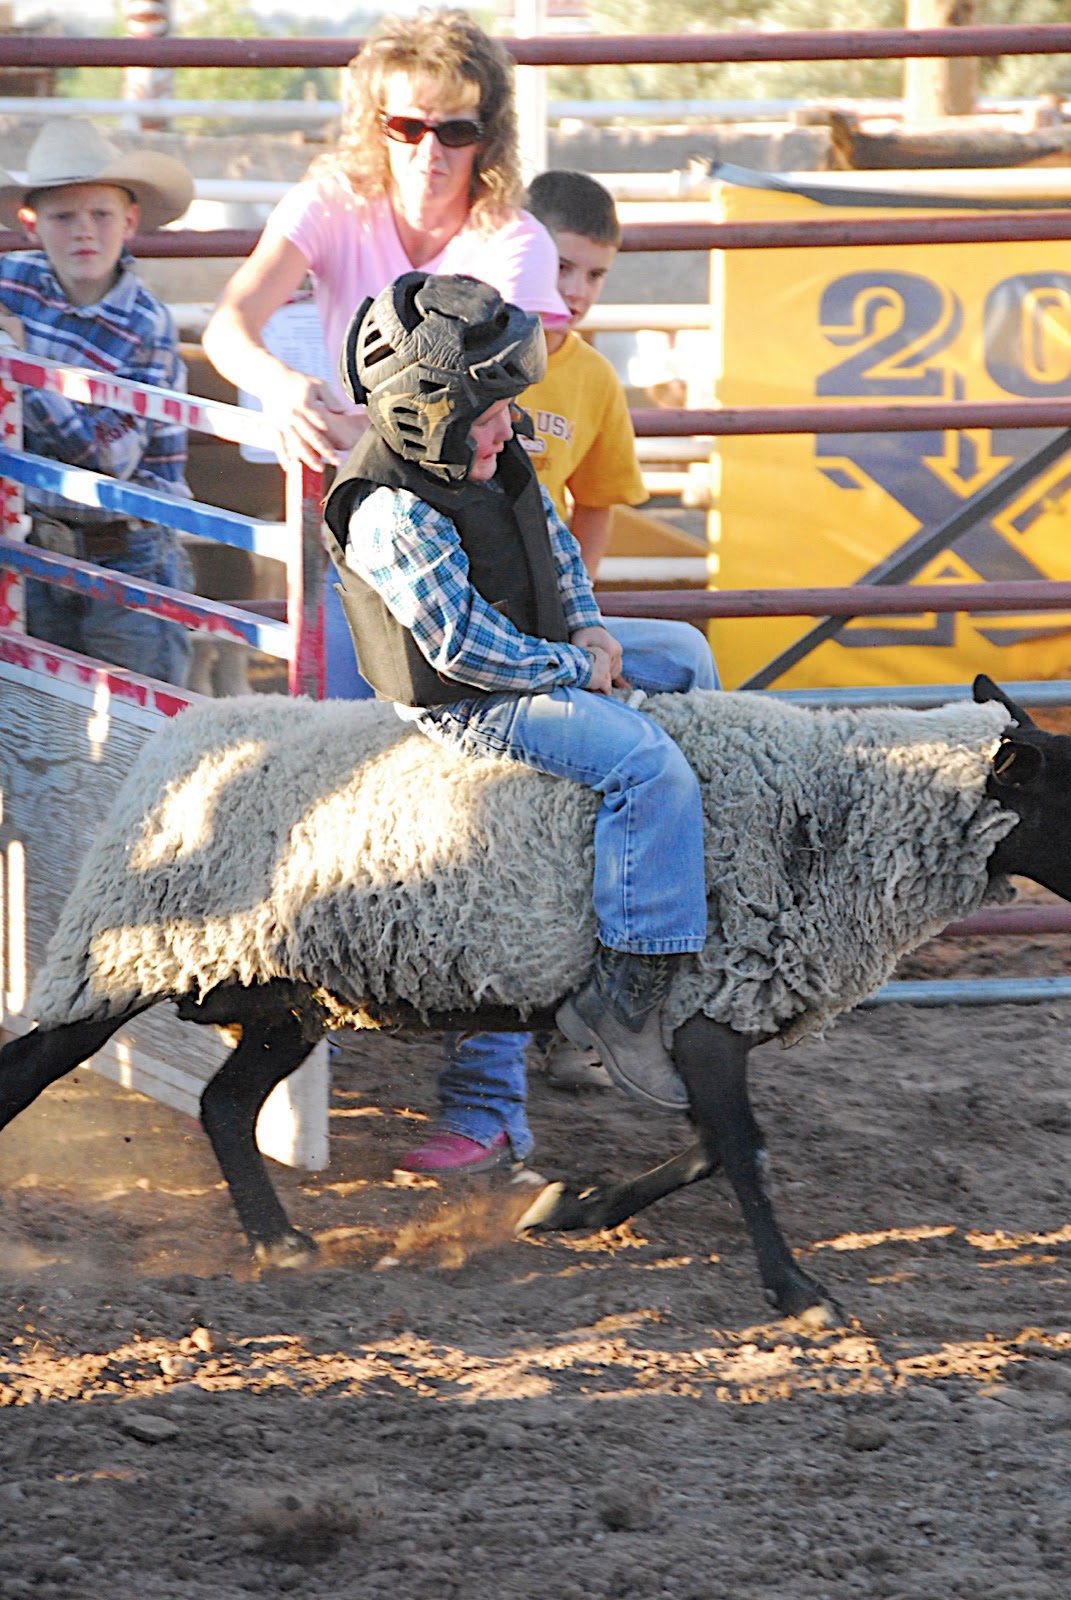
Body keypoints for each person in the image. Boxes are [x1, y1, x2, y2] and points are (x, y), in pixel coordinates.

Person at [323, 272, 712, 1142]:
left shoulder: (487, 448)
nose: (510, 427)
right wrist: (576, 665)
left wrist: (591, 627)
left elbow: (553, 542)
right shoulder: (388, 509)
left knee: (684, 654)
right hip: (465, 706)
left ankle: (695, 875)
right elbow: (460, 649)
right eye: (488, 415)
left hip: (538, 646)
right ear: (427, 413)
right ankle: (626, 994)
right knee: (643, 762)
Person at [201, 5, 568, 701]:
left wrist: (342, 431)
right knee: (346, 718)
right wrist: (280, 385)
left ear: (486, 140)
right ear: (378, 128)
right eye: (407, 127)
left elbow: (469, 406)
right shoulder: (332, 203)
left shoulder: (515, 239)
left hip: (465, 516)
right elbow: (230, 324)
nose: (429, 152)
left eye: (455, 130)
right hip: (362, 511)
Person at [0, 118, 196, 685]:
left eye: (101, 215)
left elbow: (109, 456)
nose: (83, 232)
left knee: (141, 717)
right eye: (63, 217)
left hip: (131, 551)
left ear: (129, 221)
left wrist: (22, 360)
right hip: (36, 542)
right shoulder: (13, 283)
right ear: (31, 225)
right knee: (39, 719)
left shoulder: (146, 324)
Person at [520, 169, 646, 577]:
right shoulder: (461, 350)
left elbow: (595, 503)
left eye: (595, 276)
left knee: (683, 645)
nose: (577, 291)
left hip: (539, 587)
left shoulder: (595, 378)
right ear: (520, 250)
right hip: (455, 578)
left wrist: (576, 604)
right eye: (562, 267)